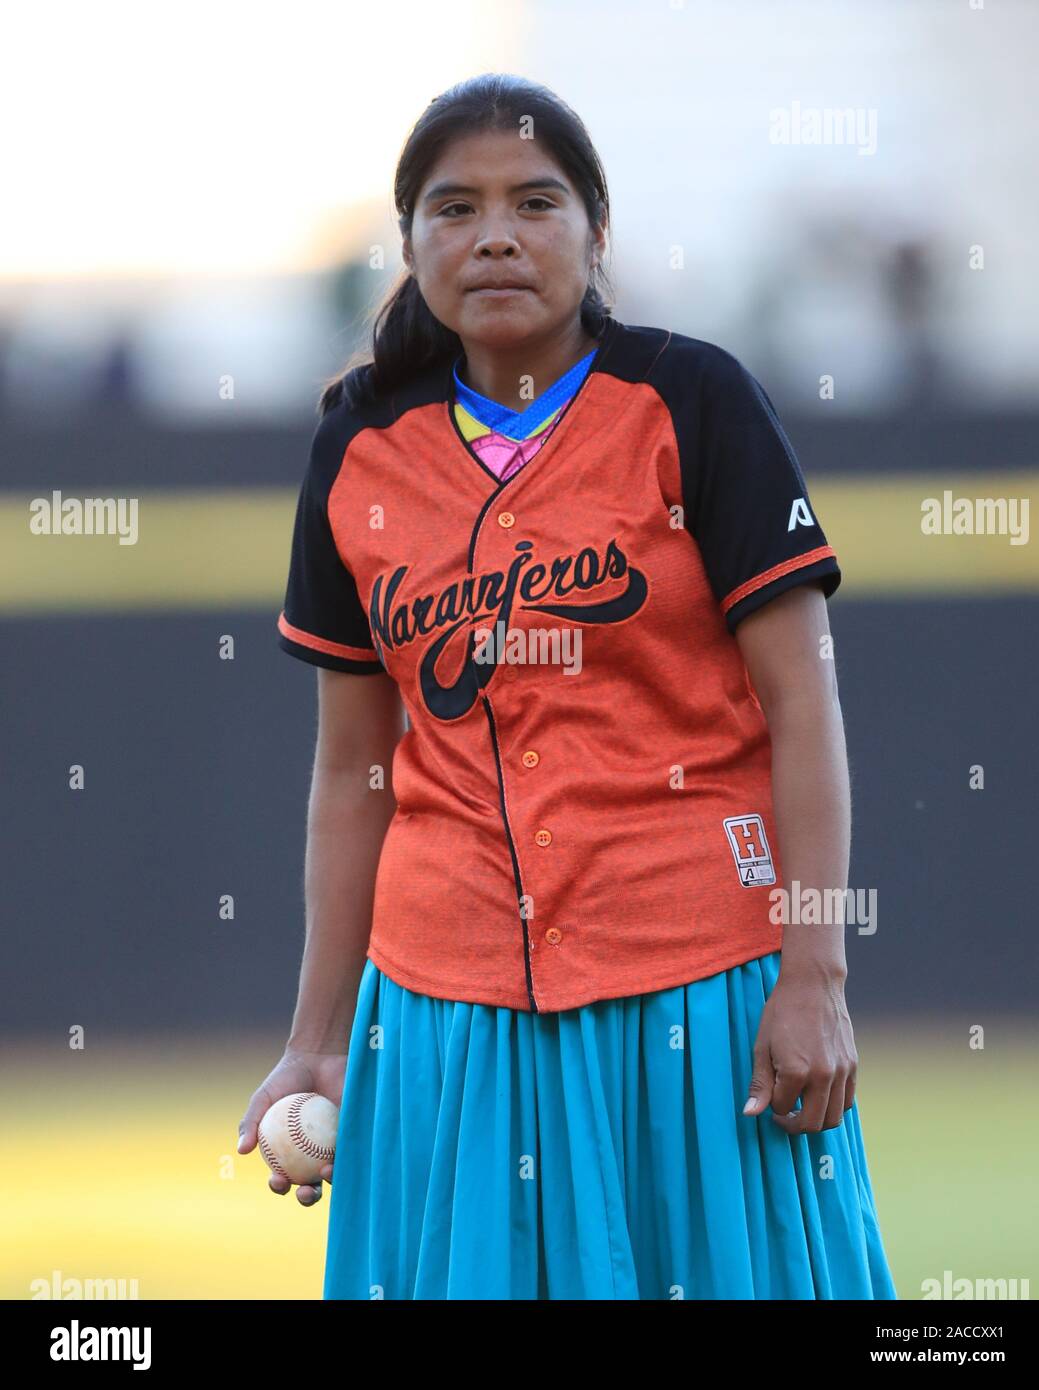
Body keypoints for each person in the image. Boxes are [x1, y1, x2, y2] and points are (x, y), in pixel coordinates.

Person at [237, 73, 897, 1301]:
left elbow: (803, 705)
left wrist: (814, 974)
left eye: (535, 202)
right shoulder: (359, 444)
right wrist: (318, 1042)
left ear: (597, 235)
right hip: (446, 1007)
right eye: (455, 207)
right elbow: (352, 770)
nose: (493, 233)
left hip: (694, 986)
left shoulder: (689, 398)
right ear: (409, 243)